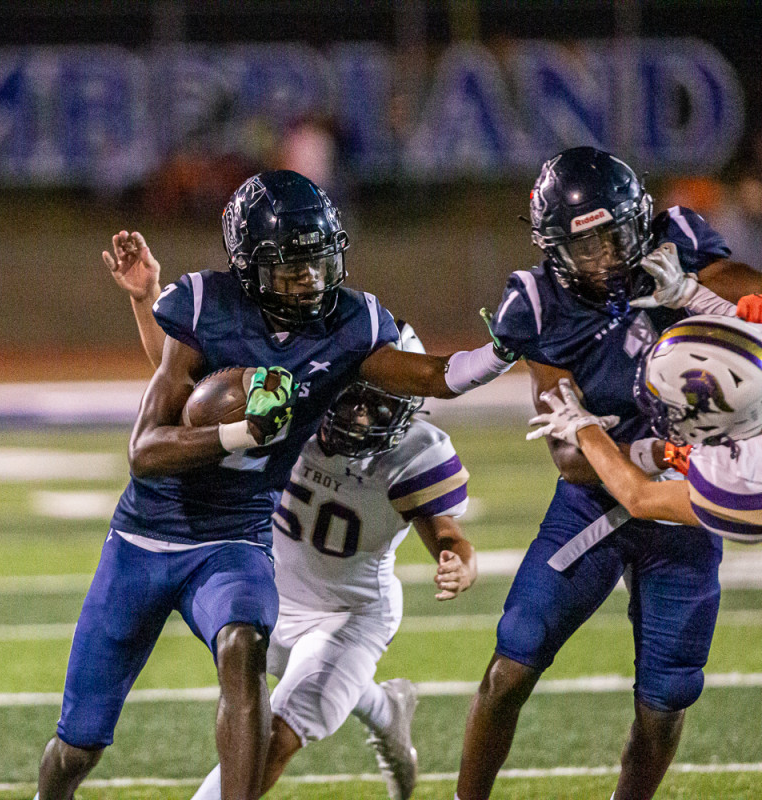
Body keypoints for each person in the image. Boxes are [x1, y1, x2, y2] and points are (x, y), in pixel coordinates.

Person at [37, 170, 514, 800]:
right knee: (79, 745)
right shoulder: (205, 305)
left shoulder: (352, 323)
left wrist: (503, 350)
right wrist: (239, 434)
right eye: (291, 269)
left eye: (318, 263)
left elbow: (432, 376)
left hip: (236, 534)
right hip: (147, 538)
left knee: (243, 644)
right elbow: (145, 453)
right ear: (249, 268)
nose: (311, 281)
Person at [107, 232, 478, 800]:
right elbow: (186, 383)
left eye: (376, 402)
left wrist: (457, 559)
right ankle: (385, 708)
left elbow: (445, 531)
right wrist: (146, 297)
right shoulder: (292, 413)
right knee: (292, 687)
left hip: (348, 614)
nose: (357, 415)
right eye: (351, 396)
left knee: (273, 737)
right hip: (274, 590)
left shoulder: (416, 452)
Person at [454, 146, 762, 800]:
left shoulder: (675, 243)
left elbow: (754, 296)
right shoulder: (537, 303)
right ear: (552, 247)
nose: (601, 258)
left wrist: (692, 286)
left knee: (665, 699)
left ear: (639, 220)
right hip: (594, 500)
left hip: (687, 495)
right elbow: (568, 455)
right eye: (582, 245)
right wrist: (628, 447)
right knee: (513, 658)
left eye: (611, 237)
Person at [528, 315, 762, 543]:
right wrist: (688, 291)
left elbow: (640, 498)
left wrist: (584, 428)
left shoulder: (743, 476)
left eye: (673, 407)